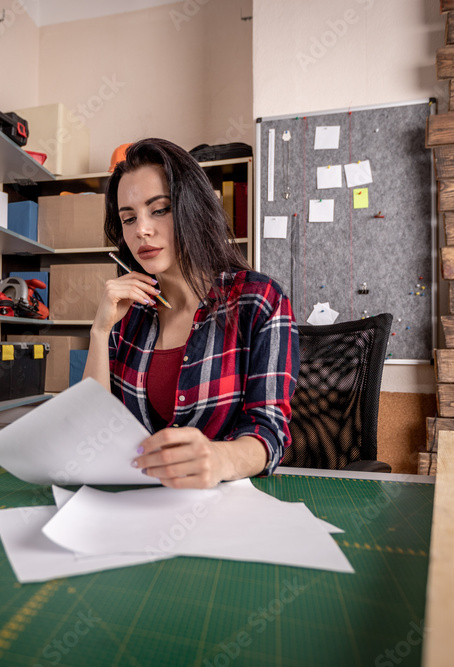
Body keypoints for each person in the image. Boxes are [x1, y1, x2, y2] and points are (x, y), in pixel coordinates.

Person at [84, 138, 299, 489]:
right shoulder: (128, 315)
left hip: (227, 508)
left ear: (192, 207)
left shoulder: (259, 301)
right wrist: (99, 331)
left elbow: (269, 434)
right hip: (136, 503)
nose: (141, 229)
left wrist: (218, 459)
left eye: (160, 209)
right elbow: (91, 433)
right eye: (128, 218)